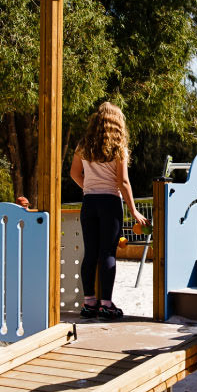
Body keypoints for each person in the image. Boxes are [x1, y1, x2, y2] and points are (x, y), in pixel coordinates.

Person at [70, 102, 147, 320]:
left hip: (89, 202)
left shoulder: (84, 145)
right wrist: (133, 211)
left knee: (90, 254)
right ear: (117, 122)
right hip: (110, 202)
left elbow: (75, 173)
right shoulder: (118, 147)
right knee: (107, 254)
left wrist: (89, 188)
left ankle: (89, 303)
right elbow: (123, 181)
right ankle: (106, 304)